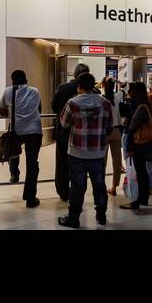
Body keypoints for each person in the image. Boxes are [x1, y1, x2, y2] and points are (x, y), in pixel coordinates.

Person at [57, 73, 113, 228]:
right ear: (93, 85)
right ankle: (101, 215)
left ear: (78, 86)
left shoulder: (72, 103)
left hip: (77, 152)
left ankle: (74, 218)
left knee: (77, 186)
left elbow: (64, 124)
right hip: (98, 153)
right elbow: (109, 127)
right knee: (99, 185)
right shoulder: (105, 103)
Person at [0, 70, 43, 207]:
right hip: (34, 131)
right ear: (26, 79)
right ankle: (30, 198)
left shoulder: (8, 92)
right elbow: (39, 109)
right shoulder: (35, 91)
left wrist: (12, 112)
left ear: (12, 80)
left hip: (17, 129)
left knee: (13, 152)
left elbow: (1, 111)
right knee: (32, 164)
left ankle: (14, 174)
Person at [51, 63, 88, 201]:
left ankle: (63, 191)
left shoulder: (63, 88)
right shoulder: (93, 92)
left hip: (63, 133)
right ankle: (78, 191)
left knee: (62, 164)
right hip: (83, 134)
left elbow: (54, 106)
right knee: (80, 164)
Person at [119, 82, 152, 210]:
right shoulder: (145, 105)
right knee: (142, 171)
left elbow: (132, 128)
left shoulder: (139, 108)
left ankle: (137, 200)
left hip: (137, 144)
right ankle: (143, 198)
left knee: (139, 172)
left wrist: (129, 147)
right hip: (144, 144)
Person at [103, 77, 125, 195]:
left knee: (103, 160)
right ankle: (114, 187)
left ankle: (101, 185)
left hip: (104, 132)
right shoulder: (116, 97)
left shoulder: (101, 99)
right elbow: (126, 87)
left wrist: (102, 83)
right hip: (116, 131)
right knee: (117, 161)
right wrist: (117, 81)